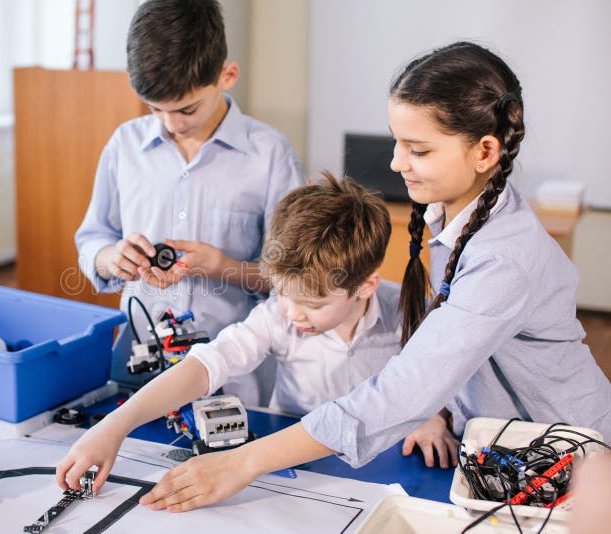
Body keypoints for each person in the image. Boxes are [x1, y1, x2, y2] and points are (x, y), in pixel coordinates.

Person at [127, 41, 611, 513]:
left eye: (417, 149)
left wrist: (244, 462)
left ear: (485, 151)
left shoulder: (506, 258)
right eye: (397, 141)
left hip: (567, 456)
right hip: (510, 446)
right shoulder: (458, 219)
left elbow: (404, 390)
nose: (397, 162)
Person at [58, 173, 459, 493]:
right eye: (283, 293)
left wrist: (431, 414)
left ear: (365, 287)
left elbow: (447, 376)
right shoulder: (277, 316)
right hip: (290, 454)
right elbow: (205, 365)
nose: (292, 312)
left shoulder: (411, 310)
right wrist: (113, 427)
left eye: (314, 305)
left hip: (384, 461)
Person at [74, 0, 304, 401]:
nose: (172, 124)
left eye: (187, 108)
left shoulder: (270, 156)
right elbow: (92, 237)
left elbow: (295, 277)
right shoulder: (124, 146)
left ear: (227, 75)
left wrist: (225, 268)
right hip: (138, 363)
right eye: (156, 109)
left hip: (234, 378)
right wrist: (110, 257)